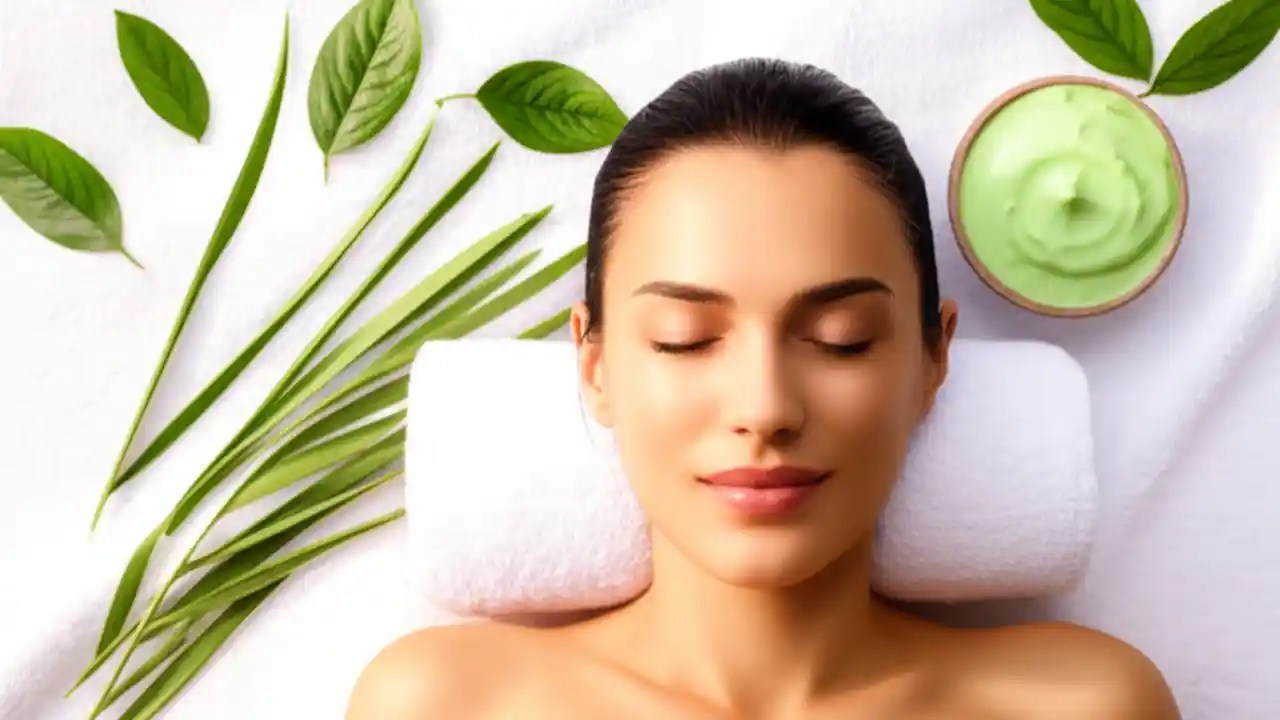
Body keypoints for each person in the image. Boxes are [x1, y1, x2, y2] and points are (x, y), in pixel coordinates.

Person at [347, 57, 1181, 719]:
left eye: (840, 341)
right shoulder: (447, 705)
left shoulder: (1080, 705)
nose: (765, 409)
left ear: (933, 359)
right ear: (593, 362)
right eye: (686, 340)